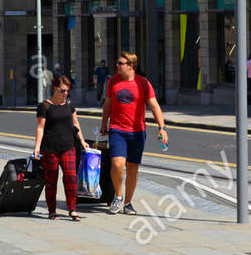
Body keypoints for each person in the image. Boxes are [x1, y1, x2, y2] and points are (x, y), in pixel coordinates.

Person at [98, 51, 168, 215]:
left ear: (130, 66)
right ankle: (118, 196)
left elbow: (154, 105)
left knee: (132, 168)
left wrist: (162, 128)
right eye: (117, 63)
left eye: (120, 63)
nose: (117, 66)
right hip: (117, 129)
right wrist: (103, 124)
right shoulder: (113, 82)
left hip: (137, 132)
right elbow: (107, 104)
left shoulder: (143, 83)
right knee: (117, 164)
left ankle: (128, 203)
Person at [34, 74, 88, 220]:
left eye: (67, 91)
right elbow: (40, 128)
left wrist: (82, 141)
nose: (65, 94)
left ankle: (72, 209)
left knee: (71, 176)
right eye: (63, 91)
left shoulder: (69, 105)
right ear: (55, 88)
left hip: (68, 146)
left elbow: (76, 124)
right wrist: (37, 147)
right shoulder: (44, 106)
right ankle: (52, 210)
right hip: (49, 148)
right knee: (51, 181)